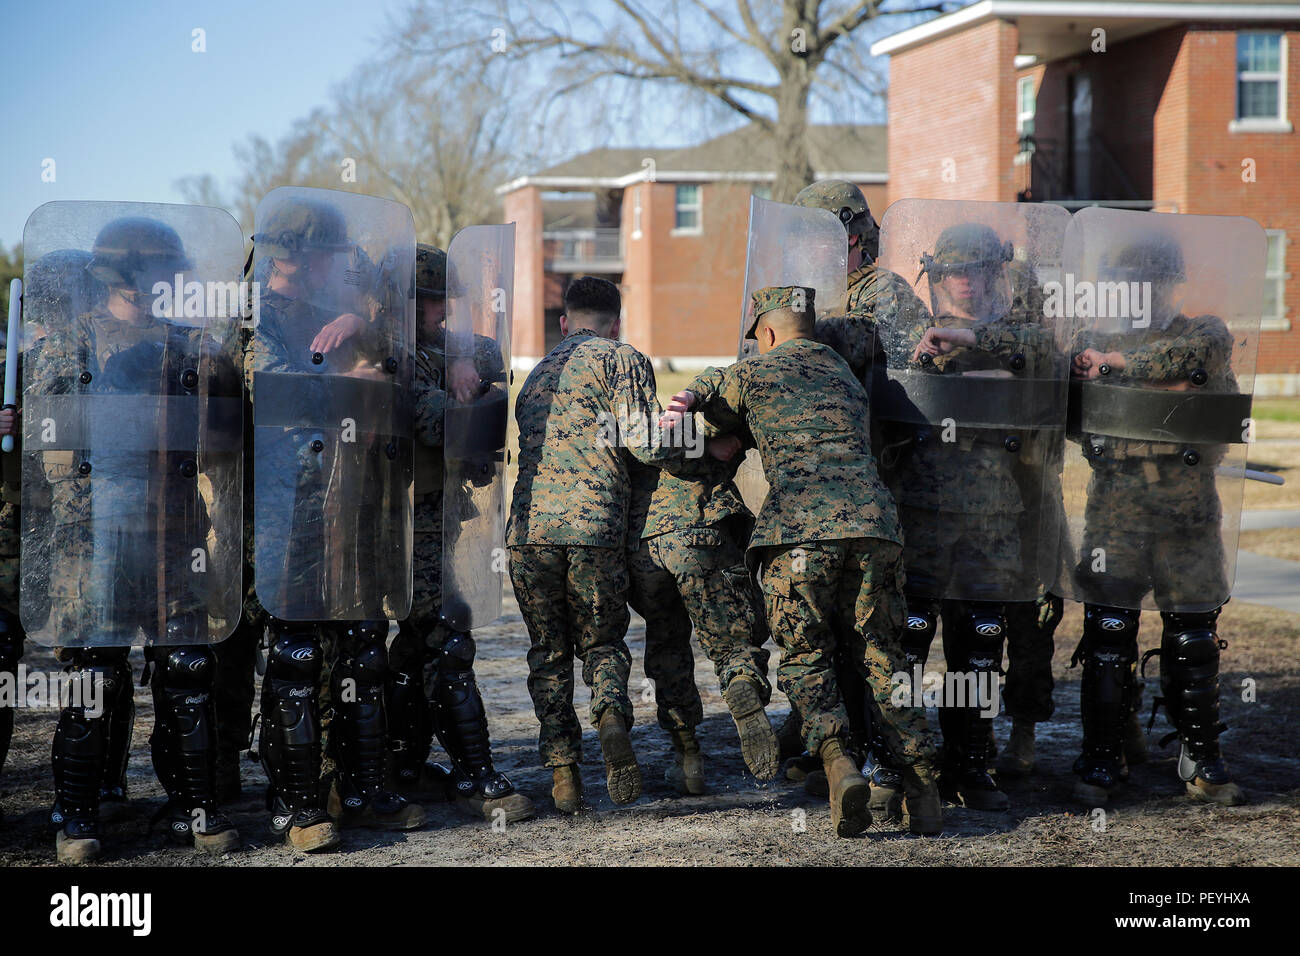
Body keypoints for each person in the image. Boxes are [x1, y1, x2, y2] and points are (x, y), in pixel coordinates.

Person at [664, 285, 942, 837]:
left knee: (806, 652)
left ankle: (838, 764)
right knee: (884, 656)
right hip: (875, 528)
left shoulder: (754, 373)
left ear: (765, 334)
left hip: (800, 533)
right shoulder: (845, 372)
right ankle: (923, 789)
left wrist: (689, 401)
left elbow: (701, 396)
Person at [29, 213, 243, 863]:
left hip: (173, 531)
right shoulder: (69, 344)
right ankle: (78, 817)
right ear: (127, 274)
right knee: (95, 674)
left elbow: (224, 439)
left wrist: (220, 373)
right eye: (156, 273)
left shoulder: (189, 345)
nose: (165, 285)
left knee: (186, 669)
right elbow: (46, 437)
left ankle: (194, 808)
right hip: (91, 533)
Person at [248, 191, 423, 852]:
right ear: (295, 255)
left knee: (362, 646)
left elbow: (401, 350)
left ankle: (362, 788)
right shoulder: (255, 318)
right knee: (295, 655)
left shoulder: (337, 311)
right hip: (284, 507)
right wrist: (360, 380)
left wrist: (359, 325)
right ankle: (297, 804)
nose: (339, 263)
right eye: (329, 253)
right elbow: (277, 392)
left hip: (352, 504)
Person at [874, 218, 1066, 812]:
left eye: (979, 270)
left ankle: (972, 763)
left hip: (994, 521)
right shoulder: (907, 329)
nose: (966, 282)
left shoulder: (1020, 332)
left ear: (996, 274)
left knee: (981, 648)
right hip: (922, 519)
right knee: (907, 644)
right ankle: (900, 765)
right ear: (934, 277)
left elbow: (1040, 359)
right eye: (954, 271)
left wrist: (972, 348)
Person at [509, 276, 719, 811]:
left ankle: (563, 777)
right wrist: (713, 448)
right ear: (617, 322)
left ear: (563, 322)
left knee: (547, 653)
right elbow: (646, 442)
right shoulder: (621, 358)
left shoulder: (535, 376)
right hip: (593, 529)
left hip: (528, 535)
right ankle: (610, 721)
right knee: (601, 644)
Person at [1066, 231, 1246, 807]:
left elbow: (1204, 378)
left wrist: (1118, 371)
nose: (1141, 290)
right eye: (1130, 280)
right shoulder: (1092, 339)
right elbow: (1071, 419)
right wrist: (1155, 387)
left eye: (1152, 280)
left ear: (1172, 283)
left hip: (1188, 510)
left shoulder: (1203, 332)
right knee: (1109, 634)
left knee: (1193, 634)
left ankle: (1199, 755)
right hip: (1115, 510)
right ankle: (1102, 754)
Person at [386, 243, 534, 823]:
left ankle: (415, 767)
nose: (441, 314)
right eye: (429, 304)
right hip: (389, 523)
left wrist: (457, 367)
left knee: (427, 642)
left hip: (441, 519)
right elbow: (432, 419)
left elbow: (493, 398)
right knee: (433, 643)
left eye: (445, 303)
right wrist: (456, 384)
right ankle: (460, 773)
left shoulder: (454, 349)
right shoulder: (382, 354)